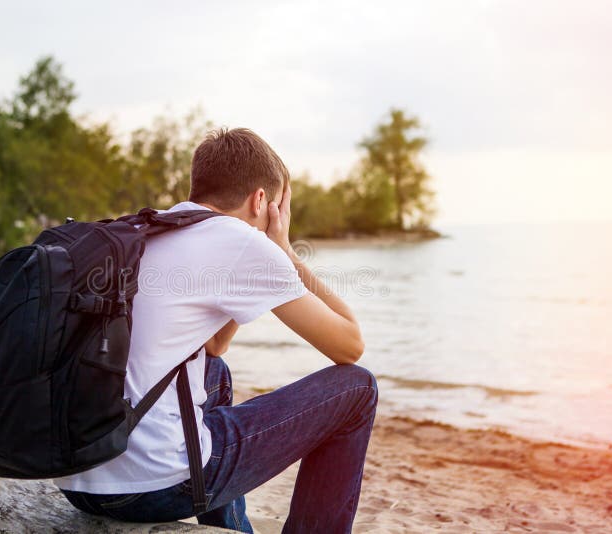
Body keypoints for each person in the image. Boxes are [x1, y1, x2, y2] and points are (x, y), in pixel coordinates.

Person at [55, 128, 378, 533]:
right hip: (146, 488)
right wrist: (285, 249)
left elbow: (216, 345)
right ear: (261, 200)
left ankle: (231, 529)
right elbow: (350, 346)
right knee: (358, 390)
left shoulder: (153, 227)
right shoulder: (241, 241)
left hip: (81, 477)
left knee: (214, 373)